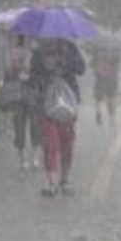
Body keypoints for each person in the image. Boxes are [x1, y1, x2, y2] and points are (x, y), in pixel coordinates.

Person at [30, 39, 85, 197]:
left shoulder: (70, 47)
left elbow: (81, 69)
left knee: (67, 143)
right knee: (50, 142)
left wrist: (65, 64)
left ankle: (65, 180)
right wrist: (46, 71)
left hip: (68, 102)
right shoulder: (39, 50)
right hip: (46, 103)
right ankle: (51, 182)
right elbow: (32, 77)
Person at [4, 34, 41, 168]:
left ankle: (29, 158)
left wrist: (28, 73)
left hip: (28, 93)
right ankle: (26, 158)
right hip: (20, 94)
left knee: (31, 125)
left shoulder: (34, 53)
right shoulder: (13, 54)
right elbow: (7, 73)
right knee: (23, 126)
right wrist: (17, 69)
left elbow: (38, 73)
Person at [91, 54, 121, 126]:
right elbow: (118, 64)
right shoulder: (116, 53)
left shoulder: (96, 52)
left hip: (101, 80)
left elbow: (92, 66)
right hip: (110, 80)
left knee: (99, 99)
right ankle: (111, 119)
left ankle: (100, 114)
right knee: (110, 100)